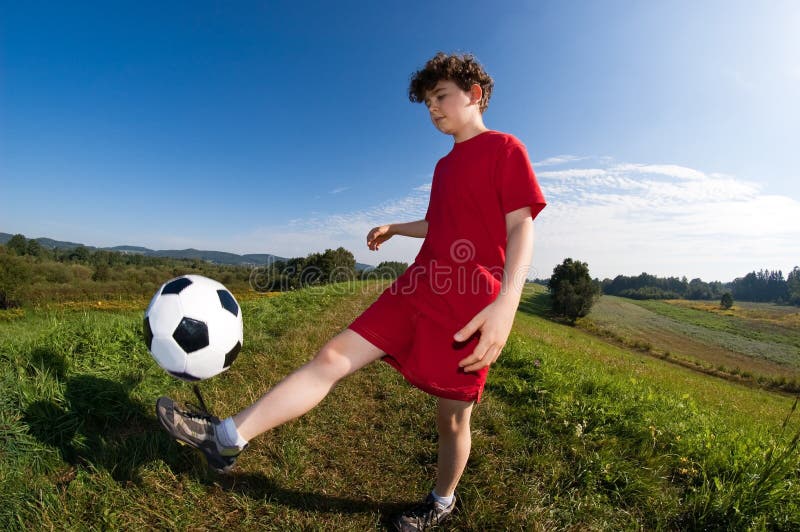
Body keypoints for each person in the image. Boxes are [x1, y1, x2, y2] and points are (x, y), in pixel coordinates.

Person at [156, 51, 546, 531]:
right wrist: (398, 228)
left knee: (452, 421)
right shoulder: (445, 166)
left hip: (470, 299)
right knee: (332, 357)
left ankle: (441, 502)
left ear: (475, 95)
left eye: (440, 96)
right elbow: (441, 222)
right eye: (426, 102)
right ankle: (227, 437)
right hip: (416, 287)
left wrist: (506, 304)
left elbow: (520, 227)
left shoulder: (506, 149)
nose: (432, 108)